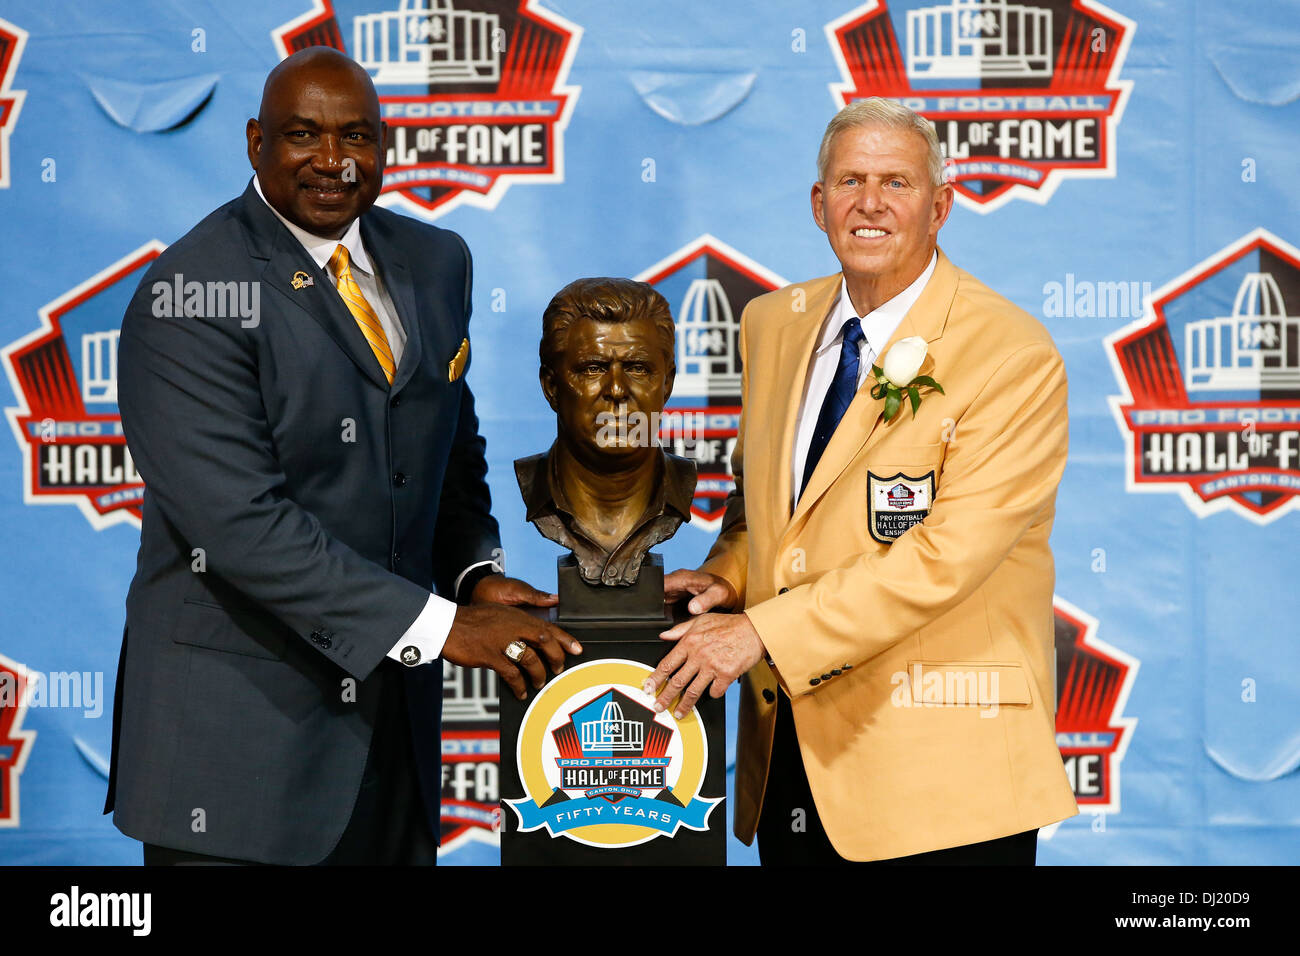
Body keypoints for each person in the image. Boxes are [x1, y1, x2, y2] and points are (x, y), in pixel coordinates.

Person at [106, 47, 580, 866]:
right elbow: (242, 526)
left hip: (391, 741)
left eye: (357, 135)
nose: (333, 161)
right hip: (236, 758)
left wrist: (471, 572)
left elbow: (445, 443)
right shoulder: (189, 291)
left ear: (386, 145)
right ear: (256, 143)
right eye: (303, 135)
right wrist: (444, 624)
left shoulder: (436, 262)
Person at [648, 97, 1079, 864]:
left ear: (940, 205)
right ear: (819, 205)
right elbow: (769, 513)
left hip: (945, 779)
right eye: (850, 181)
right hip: (794, 759)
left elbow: (946, 557)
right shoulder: (775, 322)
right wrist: (728, 577)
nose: (870, 203)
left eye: (897, 183)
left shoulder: (1012, 352)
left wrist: (758, 632)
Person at [514, 278, 697, 587]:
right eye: (592, 368)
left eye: (638, 368)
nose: (616, 390)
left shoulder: (680, 482)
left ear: (667, 384)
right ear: (551, 386)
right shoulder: (534, 482)